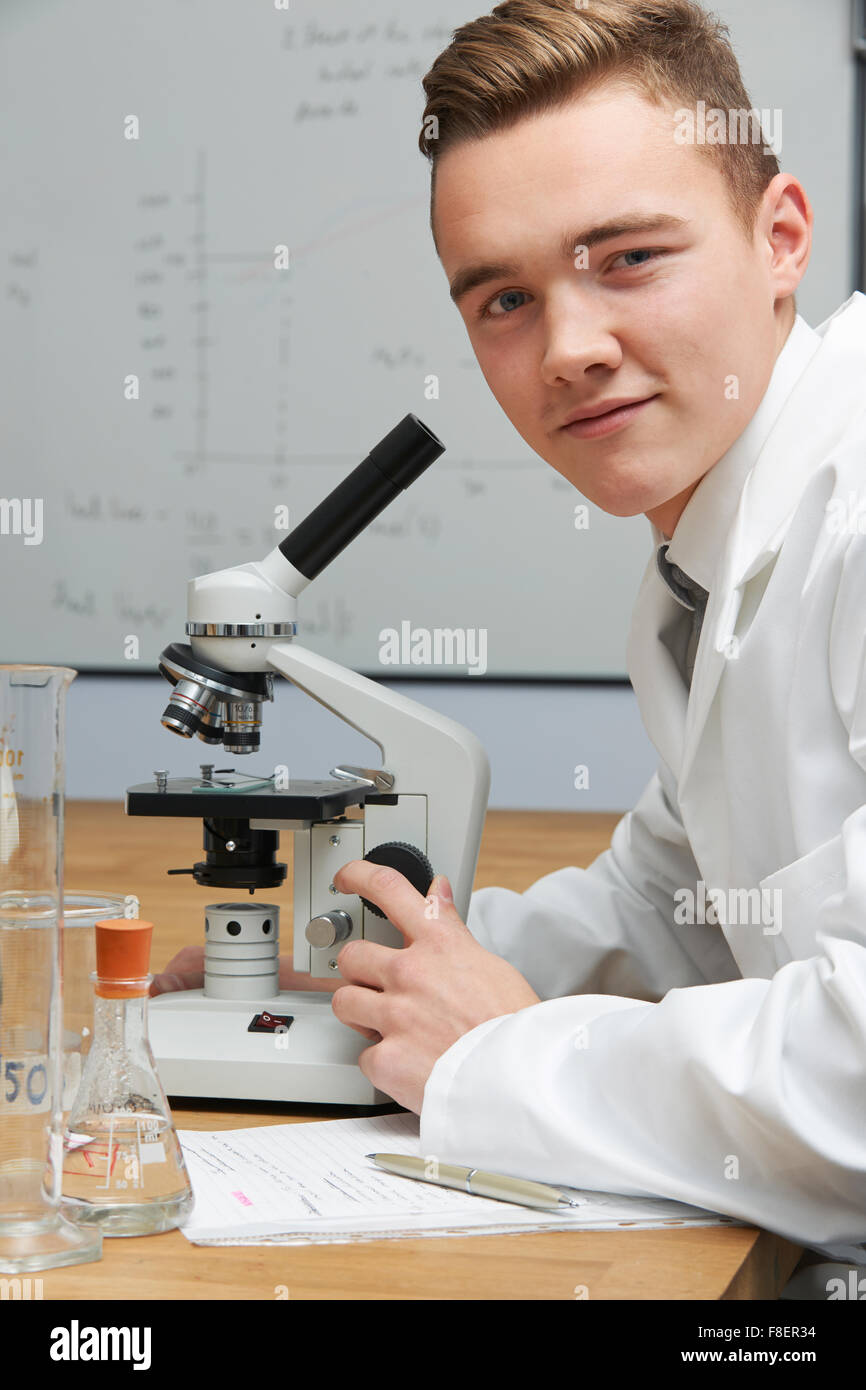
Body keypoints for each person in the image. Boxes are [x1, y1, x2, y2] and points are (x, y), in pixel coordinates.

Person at [153, 0, 866, 1296]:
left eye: (629, 257)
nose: (570, 349)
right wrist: (362, 975)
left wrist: (494, 1059)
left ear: (781, 238)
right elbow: (666, 911)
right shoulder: (705, 566)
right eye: (502, 298)